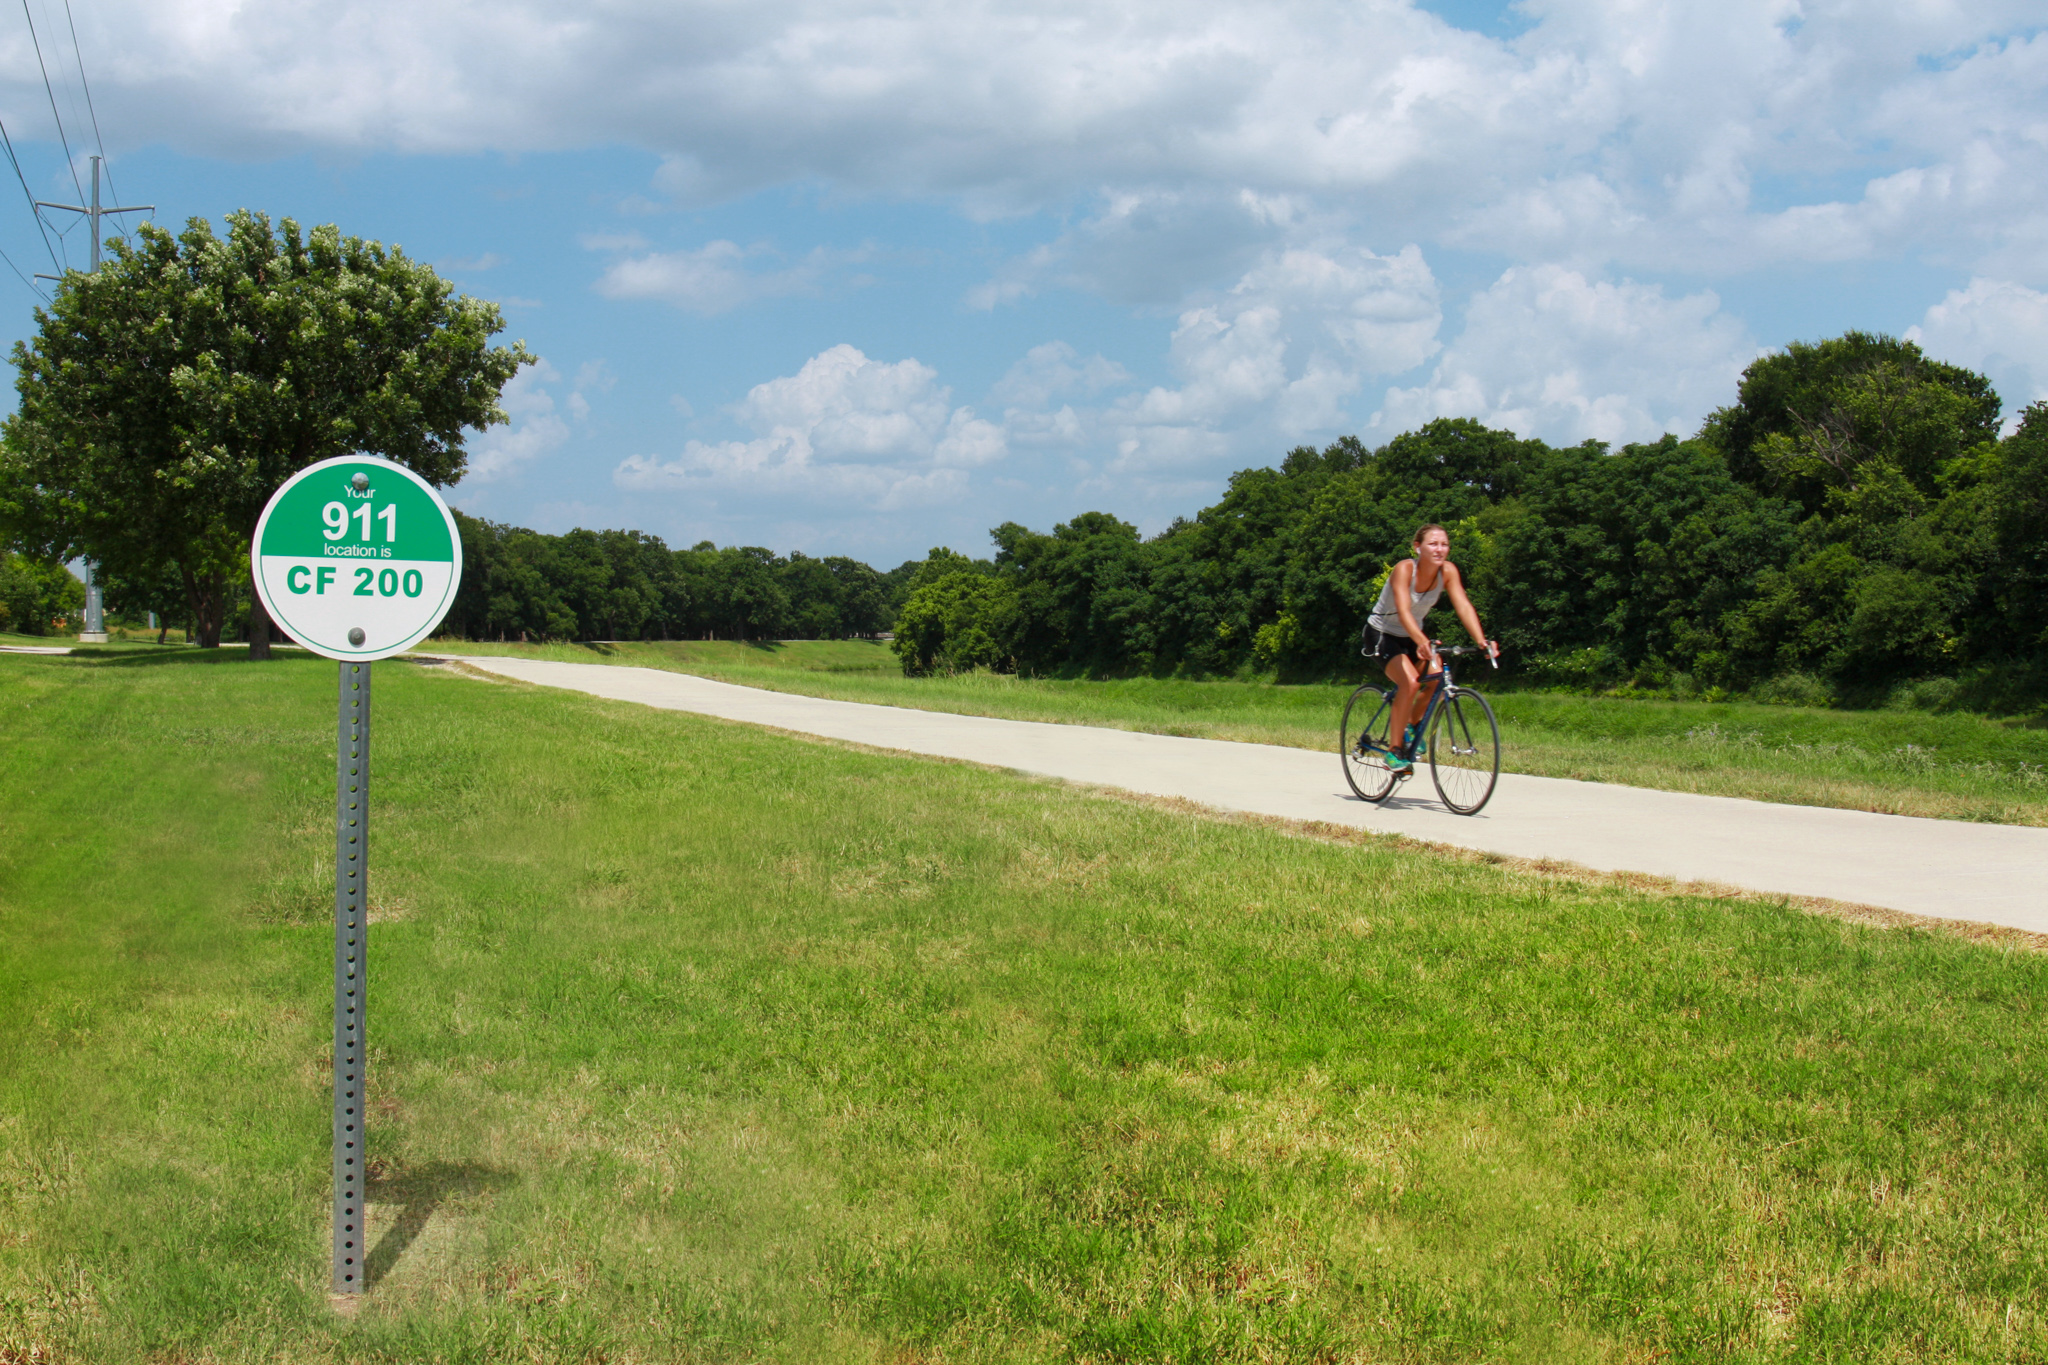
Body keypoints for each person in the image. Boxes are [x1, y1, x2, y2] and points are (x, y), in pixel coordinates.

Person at [1361, 523, 1497, 772]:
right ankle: (1394, 751)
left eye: (1444, 544)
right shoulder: (1405, 569)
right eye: (1433, 544)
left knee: (1437, 679)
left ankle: (1411, 726)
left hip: (1413, 635)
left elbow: (1463, 605)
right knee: (1410, 683)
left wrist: (1482, 640)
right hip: (1382, 634)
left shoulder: (1448, 571)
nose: (1439, 549)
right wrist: (1422, 641)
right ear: (1418, 547)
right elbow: (1403, 611)